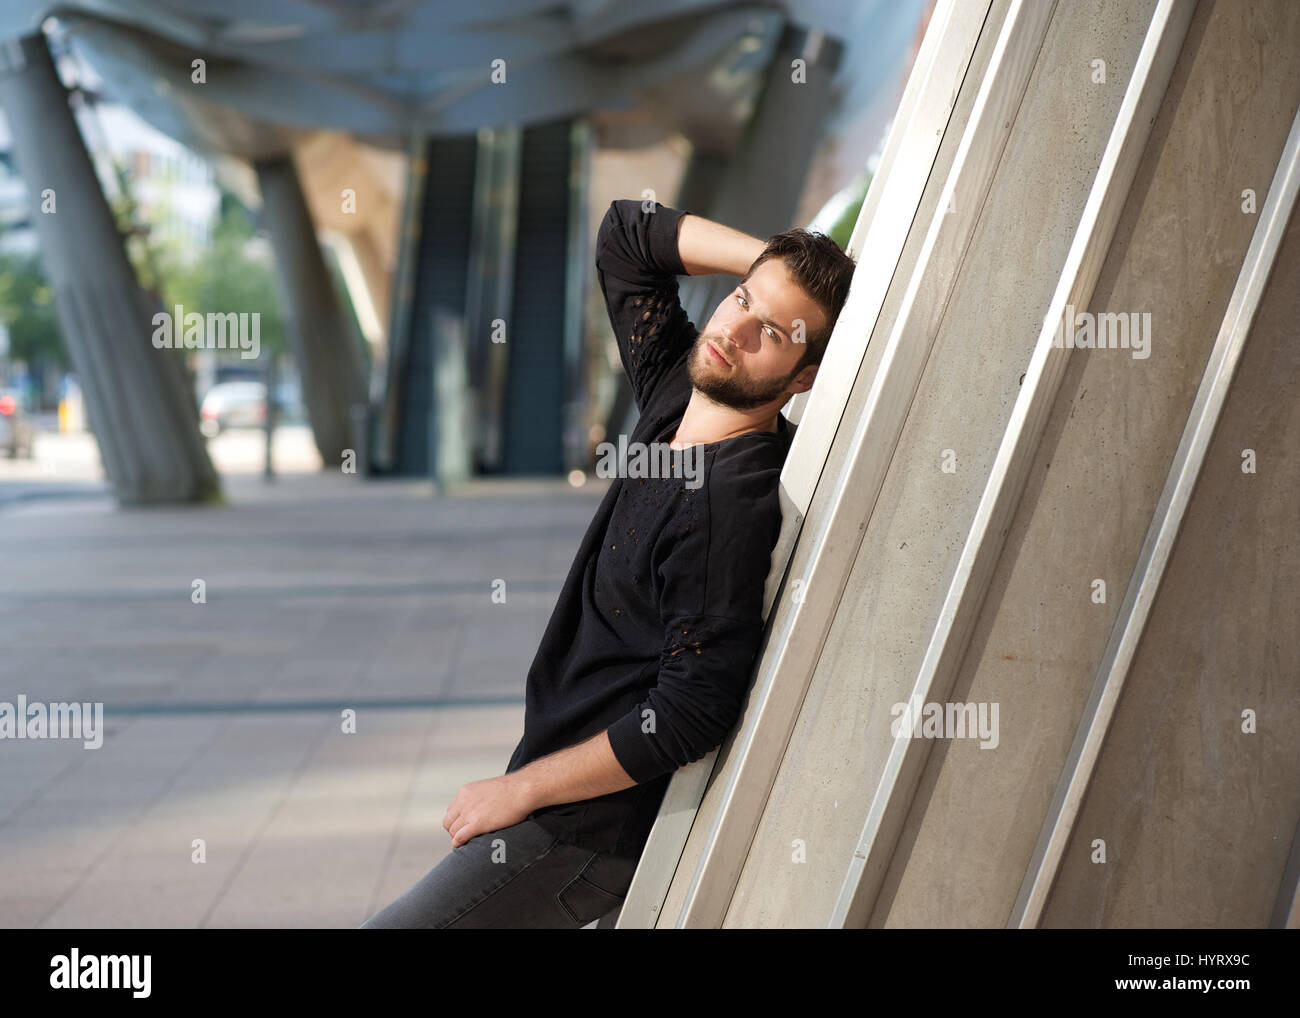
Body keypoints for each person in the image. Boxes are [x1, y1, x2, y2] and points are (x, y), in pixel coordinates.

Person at [360, 198, 856, 928]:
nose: (736, 329)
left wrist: (528, 788)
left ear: (804, 376)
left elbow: (694, 707)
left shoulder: (726, 504)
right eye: (743, 299)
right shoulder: (675, 396)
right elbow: (626, 238)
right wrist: (764, 265)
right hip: (560, 801)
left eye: (775, 333)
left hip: (582, 833)